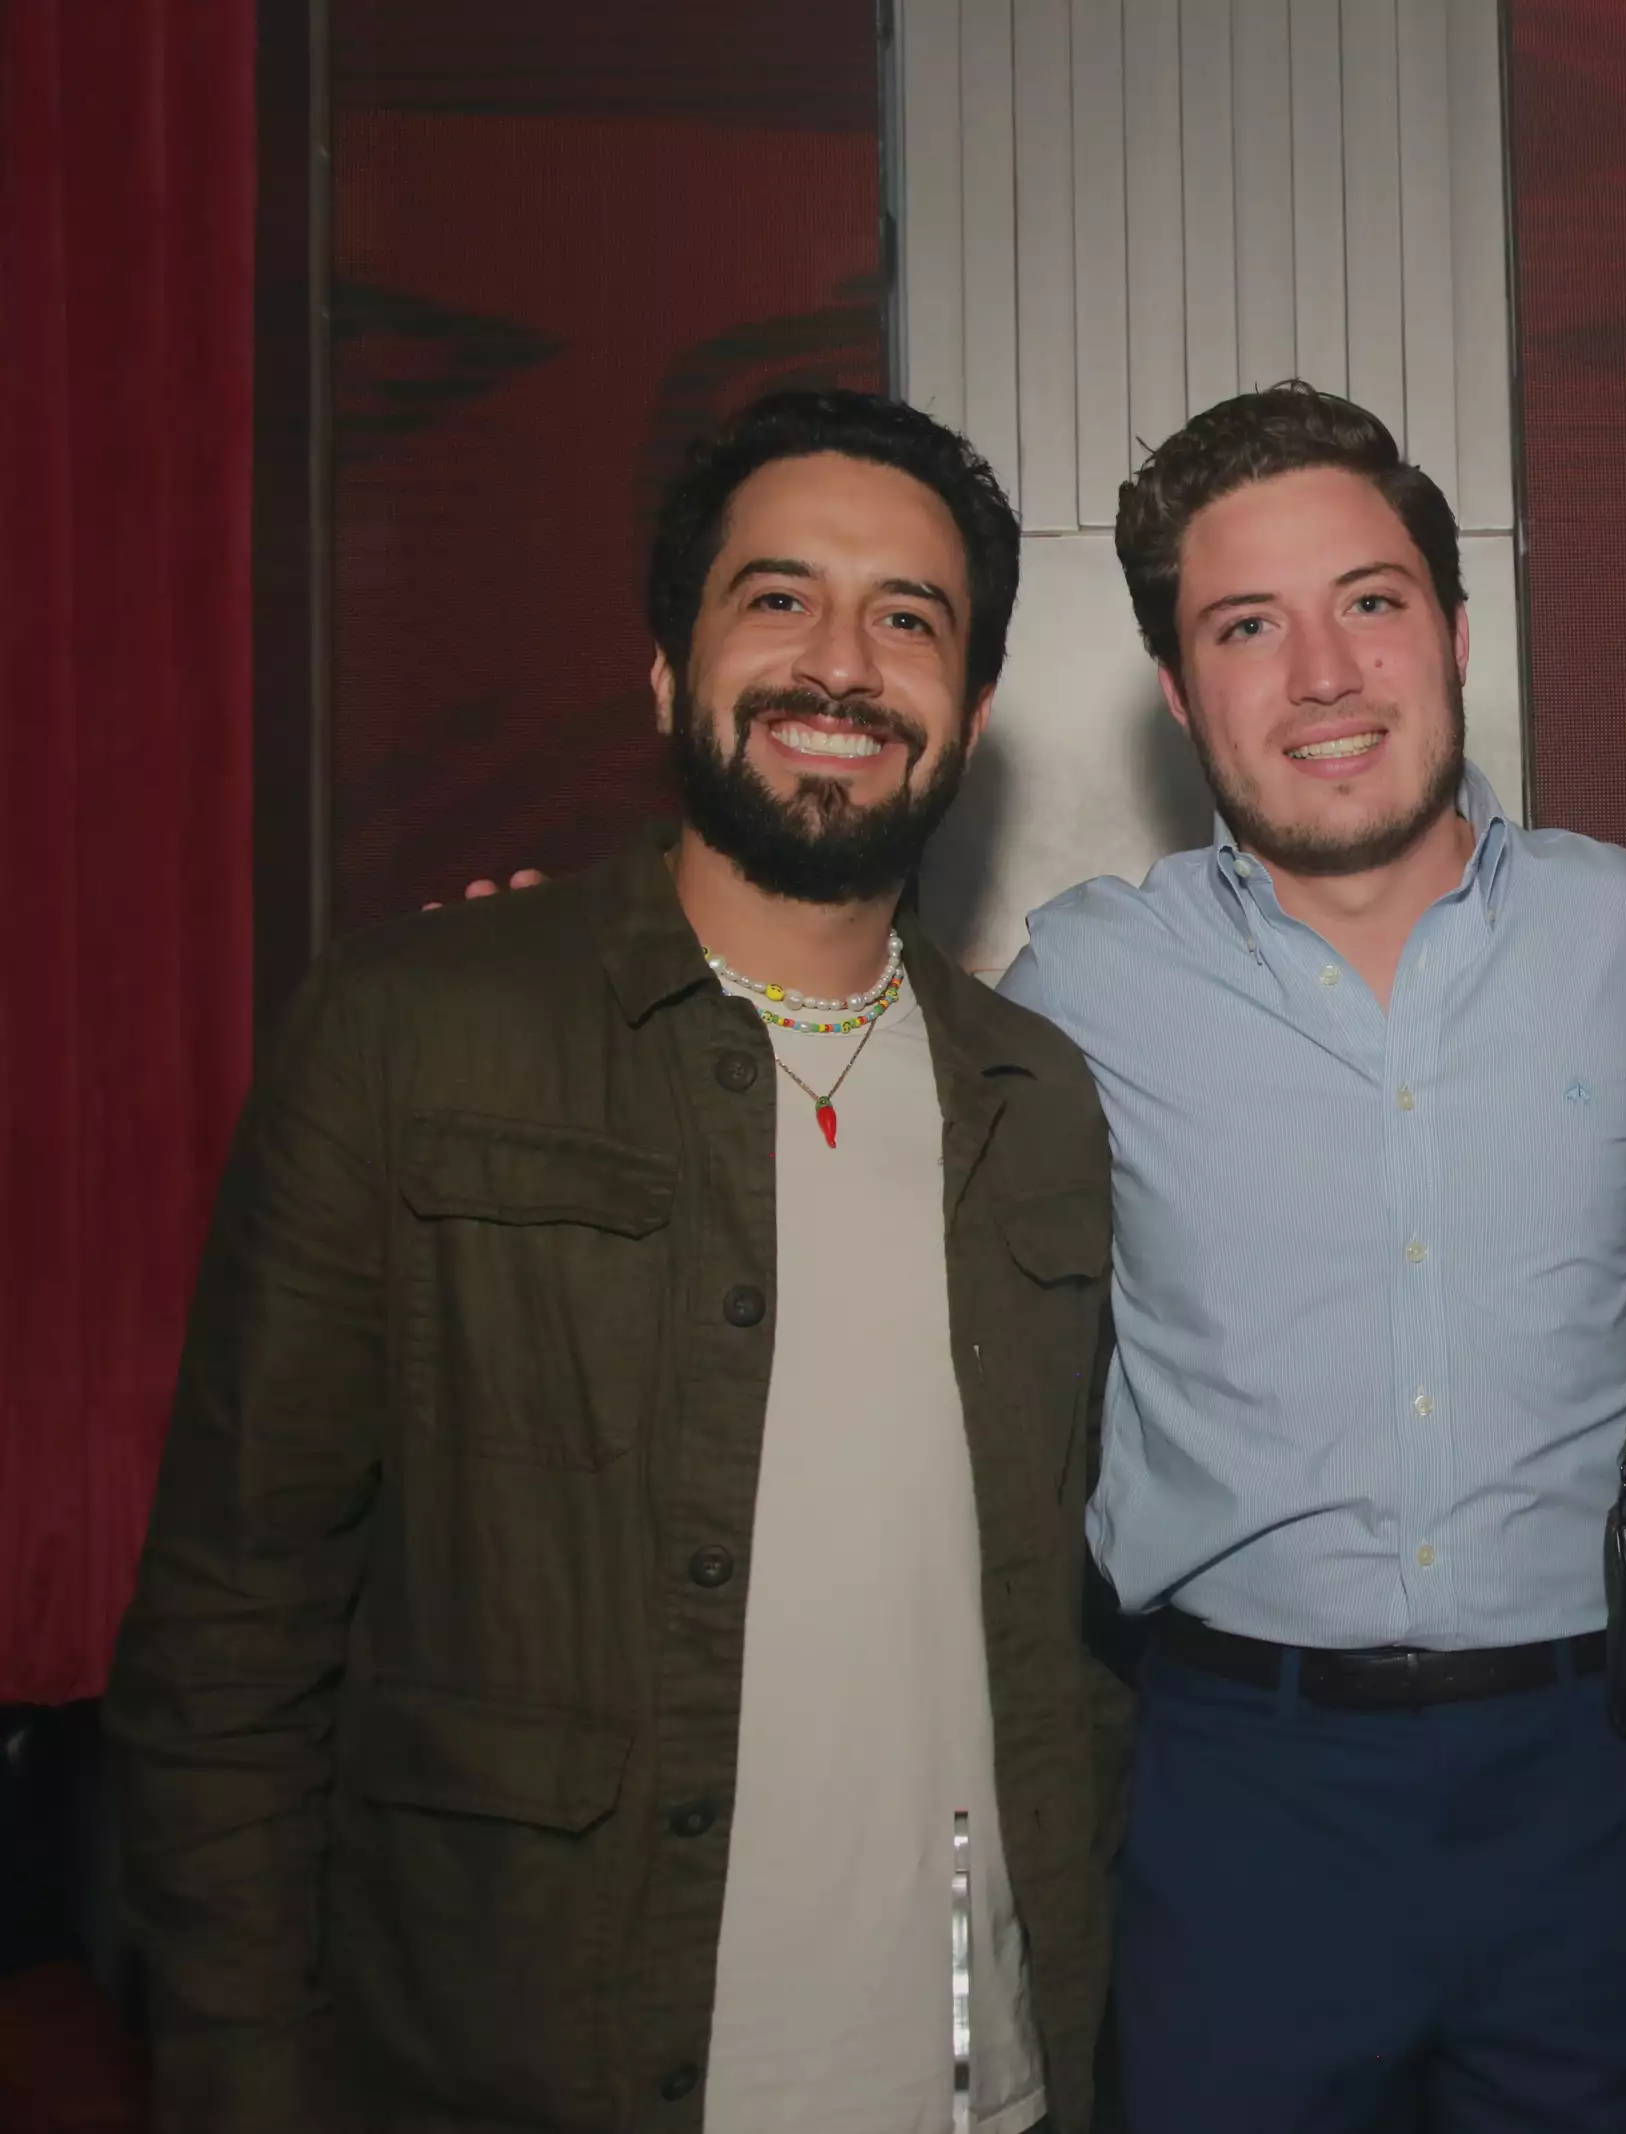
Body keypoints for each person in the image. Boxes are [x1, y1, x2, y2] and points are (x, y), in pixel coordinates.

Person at [107, 392, 1128, 2134]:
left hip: (977, 2085)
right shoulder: (418, 1033)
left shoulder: (1037, 1105)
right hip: (532, 2072)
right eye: (778, 596)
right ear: (667, 669)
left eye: (908, 619)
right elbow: (230, 1642)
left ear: (968, 713)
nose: (840, 663)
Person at [994, 385, 1626, 2132]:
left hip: (1600, 1779)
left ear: (1455, 632)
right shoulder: (1075, 985)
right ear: (1180, 691)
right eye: (1248, 626)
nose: (1323, 673)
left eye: (1370, 602)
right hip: (1245, 1797)